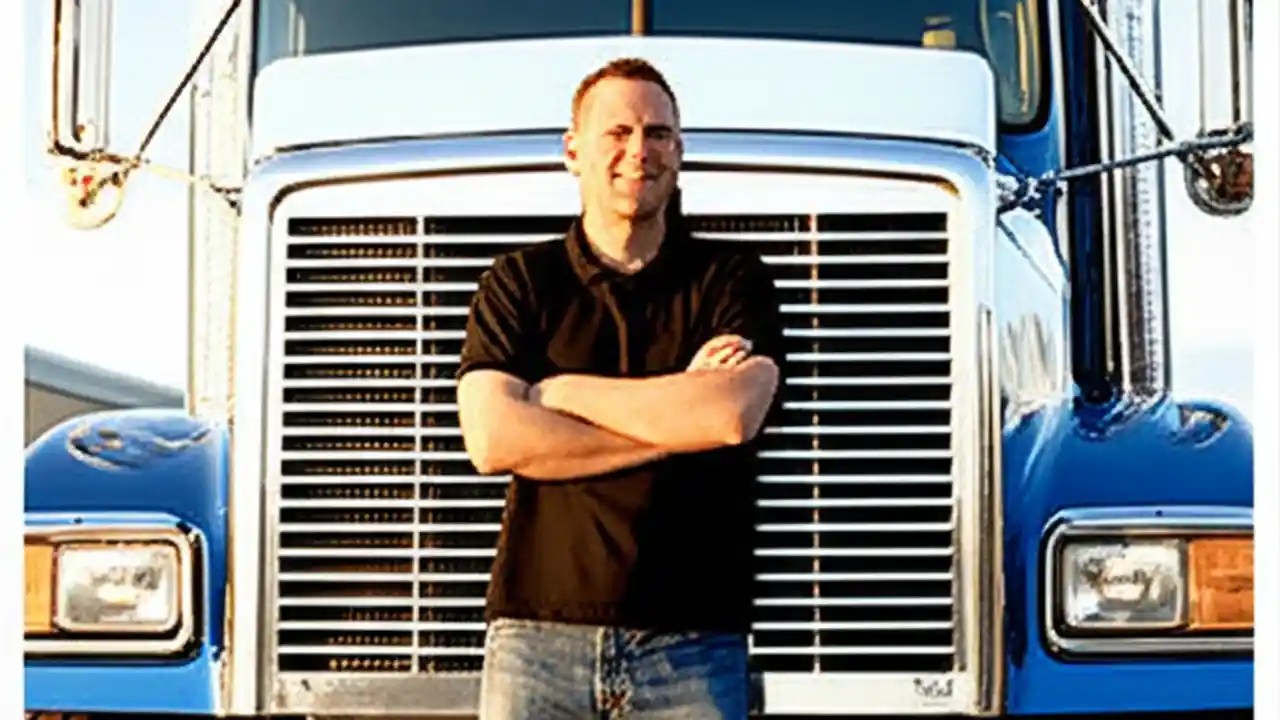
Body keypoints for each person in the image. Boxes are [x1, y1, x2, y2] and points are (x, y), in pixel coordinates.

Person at [456, 57, 784, 719]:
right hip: (535, 642)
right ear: (572, 150)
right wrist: (673, 421)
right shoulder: (518, 281)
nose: (640, 151)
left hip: (695, 643)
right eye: (619, 132)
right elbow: (492, 439)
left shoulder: (732, 279)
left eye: (659, 134)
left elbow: (728, 415)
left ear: (680, 151)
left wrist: (563, 392)